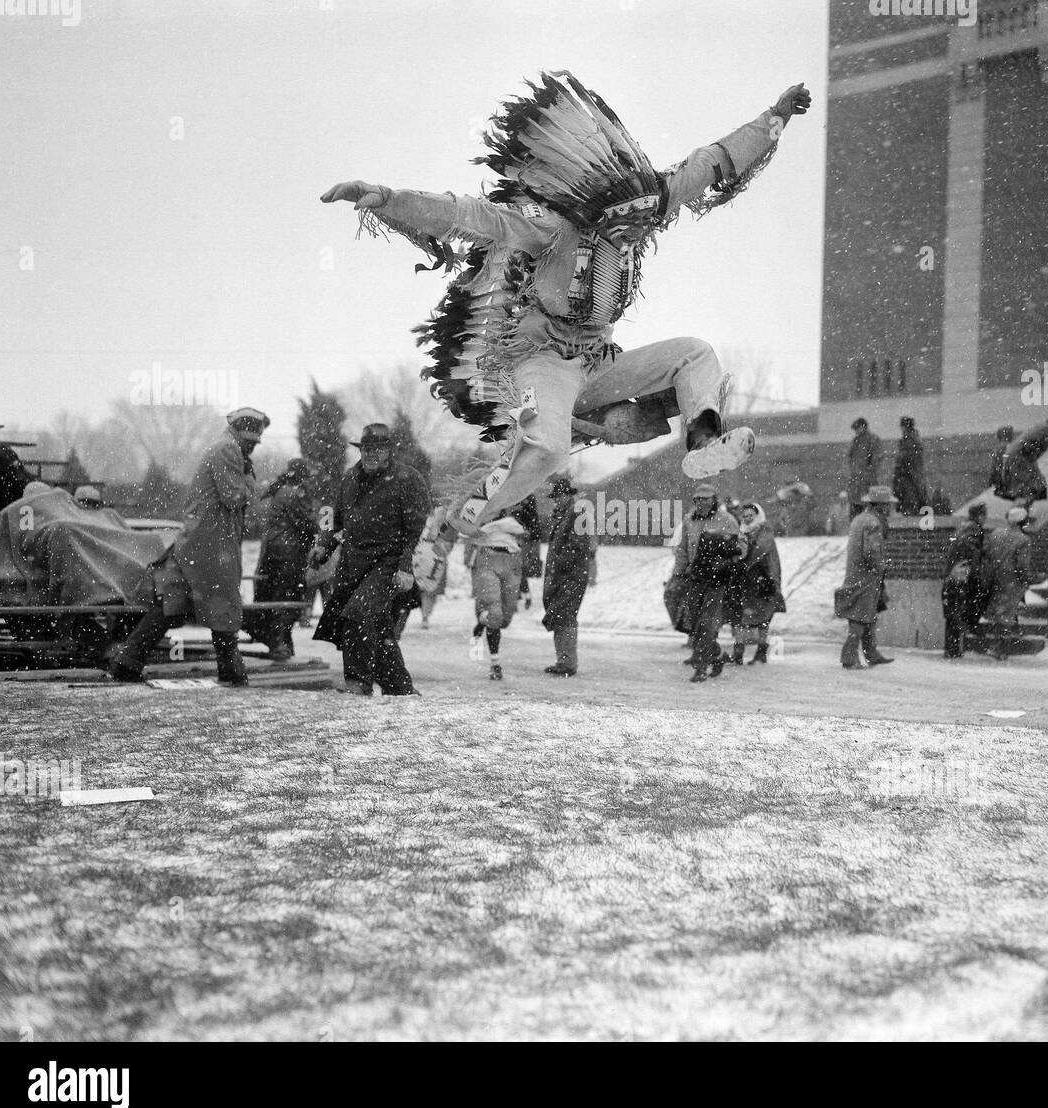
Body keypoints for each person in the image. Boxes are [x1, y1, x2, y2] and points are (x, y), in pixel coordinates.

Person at [323, 73, 812, 592]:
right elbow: (468, 213)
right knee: (546, 450)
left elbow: (712, 159)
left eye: (642, 229)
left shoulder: (649, 204)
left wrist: (774, 117)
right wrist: (384, 197)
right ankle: (453, 525)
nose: (635, 238)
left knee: (695, 355)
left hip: (598, 363)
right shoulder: (550, 227)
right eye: (624, 230)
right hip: (542, 363)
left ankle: (703, 440)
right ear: (601, 214)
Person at [107, 408, 270, 686]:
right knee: (224, 602)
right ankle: (231, 670)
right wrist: (252, 482)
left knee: (173, 602)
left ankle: (128, 660)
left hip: (199, 541)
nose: (252, 448)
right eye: (251, 442)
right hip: (212, 543)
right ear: (242, 434)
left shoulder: (224, 448)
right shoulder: (228, 451)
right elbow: (233, 497)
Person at [312, 423, 431, 696]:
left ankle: (357, 683)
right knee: (377, 627)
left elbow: (416, 530)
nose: (371, 454)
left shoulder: (407, 479)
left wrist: (404, 566)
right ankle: (399, 687)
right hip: (353, 564)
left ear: (389, 450)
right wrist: (323, 544)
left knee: (357, 614)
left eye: (378, 448)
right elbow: (332, 515)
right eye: (367, 448)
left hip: (387, 563)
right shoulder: (349, 478)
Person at [670, 483, 745, 683]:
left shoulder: (727, 520)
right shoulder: (689, 521)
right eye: (698, 499)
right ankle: (718, 656)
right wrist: (678, 574)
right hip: (695, 578)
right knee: (694, 624)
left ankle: (701, 667)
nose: (701, 503)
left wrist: (727, 559)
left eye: (705, 498)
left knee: (707, 624)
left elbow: (741, 546)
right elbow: (683, 550)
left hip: (718, 580)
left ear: (714, 500)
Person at [245, 458, 315, 662]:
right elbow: (307, 523)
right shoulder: (293, 492)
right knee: (287, 601)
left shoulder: (273, 491)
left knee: (270, 599)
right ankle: (280, 644)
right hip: (289, 555)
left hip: (270, 553)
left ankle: (279, 642)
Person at [541, 475, 593, 676]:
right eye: (555, 497)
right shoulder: (564, 514)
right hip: (565, 575)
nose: (557, 500)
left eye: (560, 496)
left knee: (564, 616)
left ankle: (567, 663)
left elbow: (576, 547)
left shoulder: (576, 514)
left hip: (571, 576)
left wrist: (560, 564)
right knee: (560, 616)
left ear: (567, 495)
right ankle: (564, 660)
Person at [838, 485, 894, 668]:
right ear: (881, 505)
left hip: (856, 575)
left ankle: (871, 653)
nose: (890, 509)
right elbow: (871, 551)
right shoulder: (873, 523)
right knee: (860, 618)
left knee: (868, 615)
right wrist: (881, 566)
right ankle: (849, 657)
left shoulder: (860, 519)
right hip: (866, 578)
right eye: (887, 505)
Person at [466, 513, 527, 681]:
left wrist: (526, 590)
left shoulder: (511, 525)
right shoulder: (483, 525)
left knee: (504, 619)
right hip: (488, 562)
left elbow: (522, 553)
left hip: (509, 562)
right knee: (495, 614)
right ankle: (495, 663)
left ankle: (482, 623)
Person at [731, 502, 785, 665]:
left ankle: (761, 652)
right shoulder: (741, 531)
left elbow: (761, 550)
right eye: (745, 516)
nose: (747, 519)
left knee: (763, 616)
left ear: (757, 516)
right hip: (746, 580)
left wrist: (745, 562)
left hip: (763, 577)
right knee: (740, 615)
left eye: (750, 516)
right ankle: (738, 652)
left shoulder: (764, 529)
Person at [980, 506, 1033, 661]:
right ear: (1021, 522)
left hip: (994, 577)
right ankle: (1000, 648)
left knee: (997, 613)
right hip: (1011, 580)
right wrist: (1026, 580)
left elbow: (987, 554)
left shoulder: (995, 534)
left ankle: (994, 643)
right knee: (1007, 615)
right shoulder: (1023, 540)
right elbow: (1022, 565)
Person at [942, 502, 987, 659]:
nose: (985, 518)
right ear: (979, 515)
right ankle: (955, 649)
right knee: (960, 610)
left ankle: (951, 648)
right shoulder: (974, 529)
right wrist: (975, 573)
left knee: (952, 613)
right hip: (961, 574)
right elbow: (972, 553)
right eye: (984, 514)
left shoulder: (962, 527)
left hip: (952, 574)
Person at [1003, 416, 1048, 506]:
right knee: (1031, 486)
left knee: (1033, 485)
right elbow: (1033, 449)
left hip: (1015, 458)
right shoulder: (1044, 432)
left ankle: (1020, 512)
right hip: (1018, 459)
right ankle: (1019, 513)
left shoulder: (1041, 429)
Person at [892, 416, 927, 516]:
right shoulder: (914, 438)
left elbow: (906, 458)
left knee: (910, 497)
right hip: (912, 473)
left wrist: (900, 467)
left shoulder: (909, 440)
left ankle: (912, 513)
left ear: (905, 427)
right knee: (916, 494)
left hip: (908, 474)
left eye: (902, 426)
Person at [847, 417, 881, 518]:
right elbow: (850, 458)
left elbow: (877, 458)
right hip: (856, 480)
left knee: (868, 506)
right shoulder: (856, 441)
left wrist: (868, 471)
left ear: (863, 427)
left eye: (857, 428)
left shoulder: (872, 439)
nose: (856, 431)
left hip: (867, 480)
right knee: (856, 506)